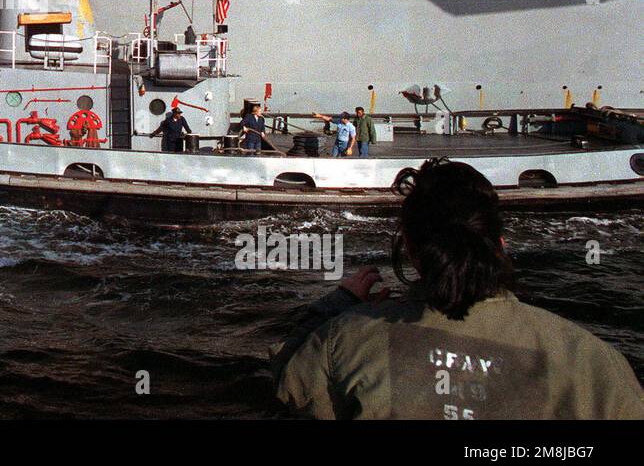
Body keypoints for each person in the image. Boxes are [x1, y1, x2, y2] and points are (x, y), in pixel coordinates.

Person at [271, 159, 644, 419]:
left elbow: (291, 382)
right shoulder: (595, 364)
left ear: (413, 253)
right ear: (501, 244)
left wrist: (341, 303)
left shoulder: (345, 340)